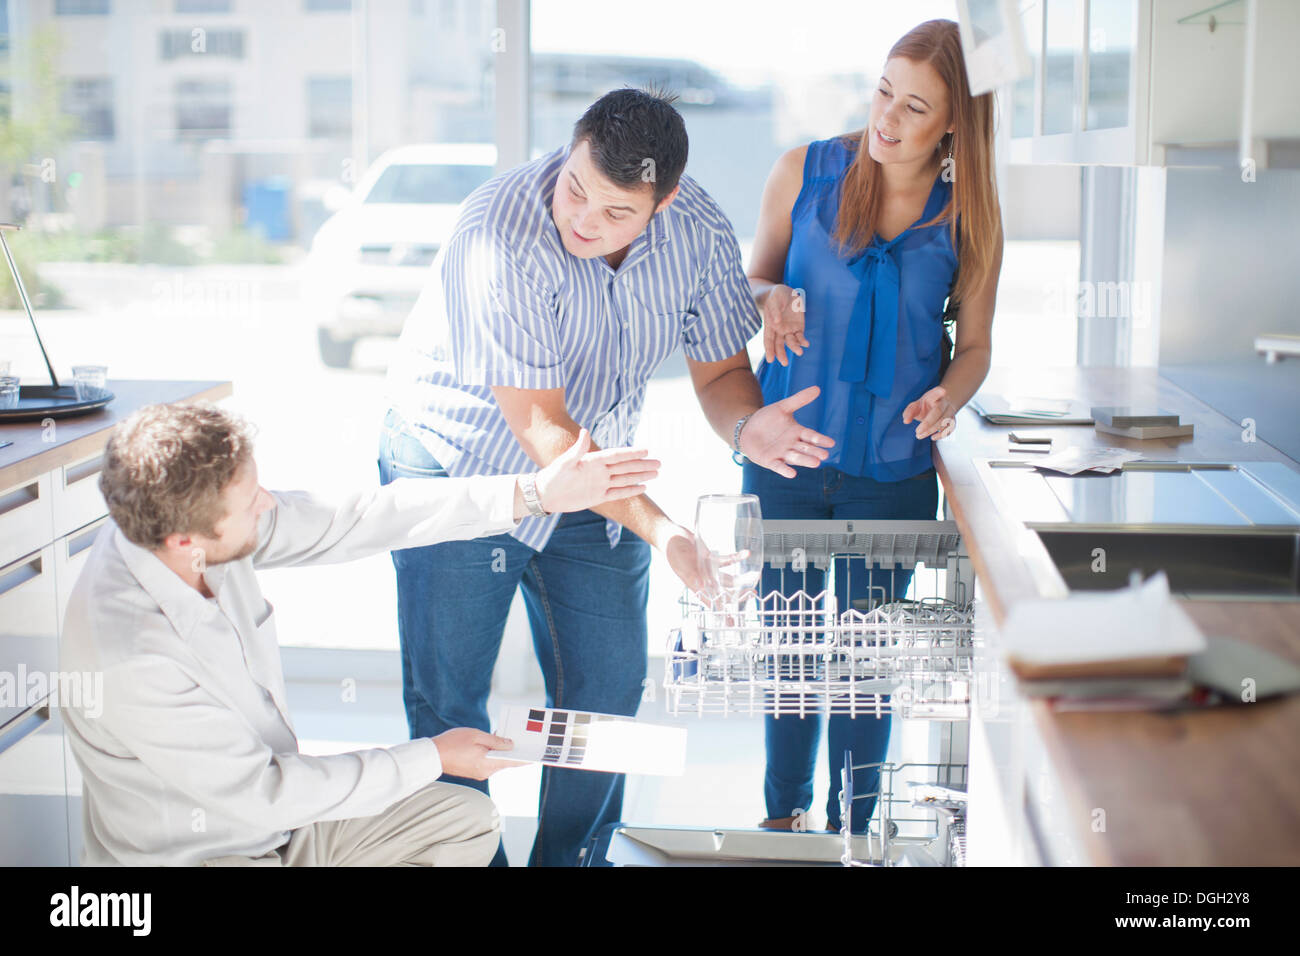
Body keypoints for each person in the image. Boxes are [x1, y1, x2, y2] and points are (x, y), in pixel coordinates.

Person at [381, 87, 834, 866]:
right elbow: (544, 432)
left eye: (616, 212)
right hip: (460, 464)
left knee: (607, 694)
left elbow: (722, 370)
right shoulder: (500, 235)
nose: (583, 219)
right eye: (575, 188)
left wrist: (746, 423)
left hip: (598, 470)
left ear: (666, 202)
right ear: (571, 149)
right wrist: (664, 531)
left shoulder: (698, 231)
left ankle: (572, 861)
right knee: (448, 700)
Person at [60, 400, 658, 865]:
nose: (268, 504)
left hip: (285, 827)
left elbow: (361, 517)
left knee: (465, 821)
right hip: (202, 856)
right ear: (186, 541)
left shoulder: (189, 533)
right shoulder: (131, 654)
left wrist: (531, 493)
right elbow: (265, 792)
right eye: (249, 503)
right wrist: (430, 755)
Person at [744, 19, 1003, 834]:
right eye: (884, 91)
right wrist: (768, 298)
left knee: (865, 666)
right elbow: (752, 277)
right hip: (784, 457)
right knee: (788, 651)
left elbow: (977, 345)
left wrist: (949, 396)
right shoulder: (803, 171)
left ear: (955, 121)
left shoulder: (969, 216)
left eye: (915, 106)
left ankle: (857, 833)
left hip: (891, 472)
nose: (887, 118)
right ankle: (783, 824)